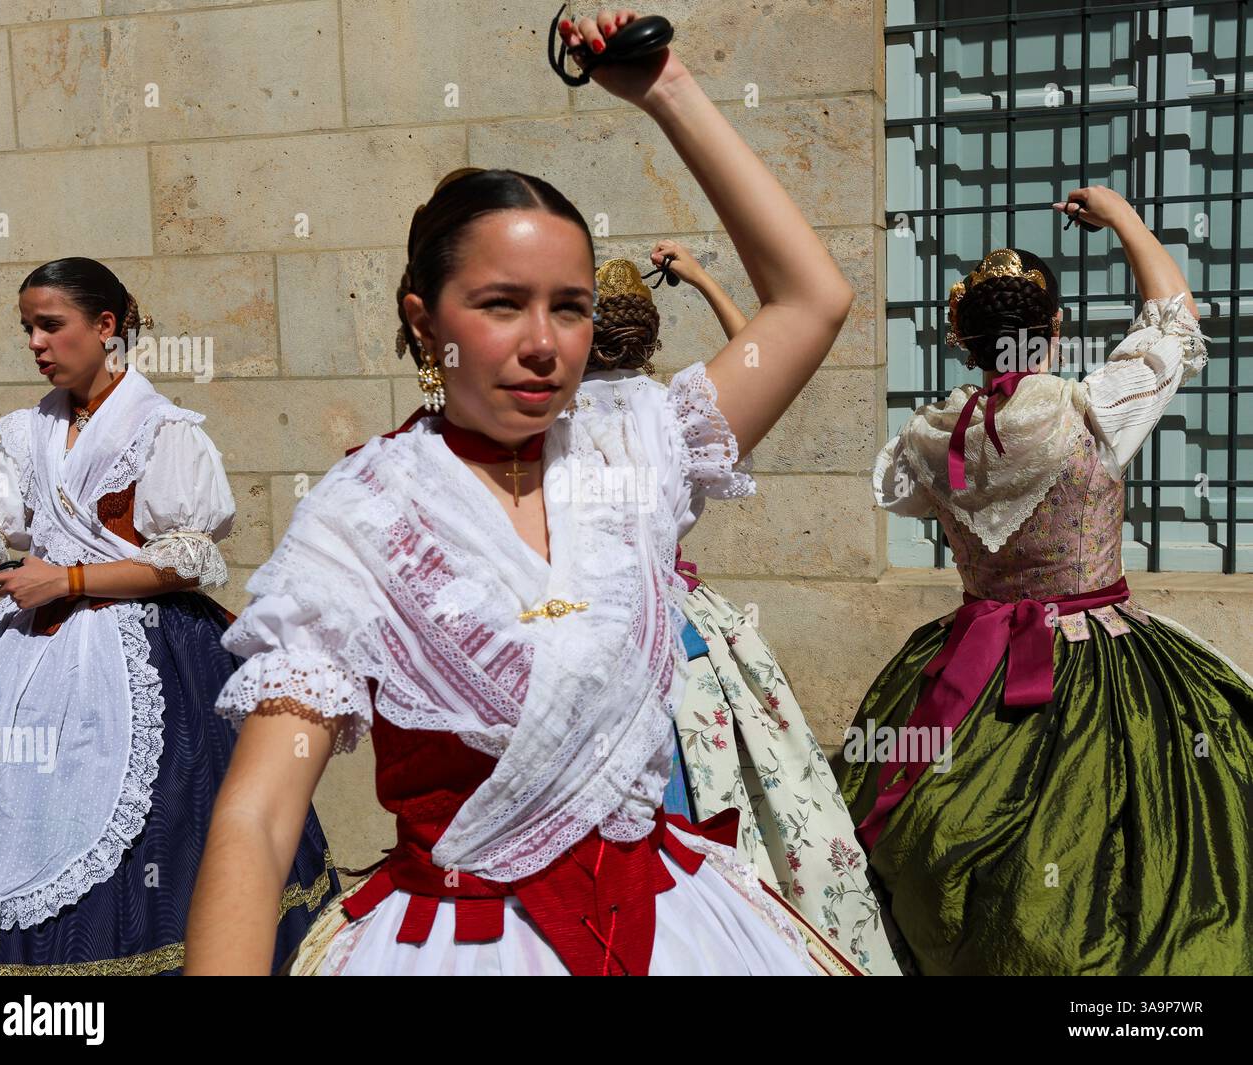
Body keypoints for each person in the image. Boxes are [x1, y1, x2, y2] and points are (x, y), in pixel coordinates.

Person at [184, 7, 862, 976]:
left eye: (571, 307)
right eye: (501, 304)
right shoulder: (360, 513)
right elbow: (256, 815)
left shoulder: (635, 439)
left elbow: (810, 301)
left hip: (673, 922)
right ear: (426, 323)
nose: (544, 343)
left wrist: (665, 90)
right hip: (463, 943)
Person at [835, 186, 1253, 975]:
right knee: (1138, 845)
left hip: (968, 662)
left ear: (962, 336)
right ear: (1054, 328)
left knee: (938, 834)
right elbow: (1175, 320)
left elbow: (898, 492)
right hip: (1103, 653)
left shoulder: (927, 437)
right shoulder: (1093, 410)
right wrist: (1125, 218)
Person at [0, 258, 338, 975]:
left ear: (105, 328)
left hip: (137, 651)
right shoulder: (26, 431)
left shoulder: (162, 429)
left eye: (50, 325)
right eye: (27, 328)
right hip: (25, 661)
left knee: (152, 830)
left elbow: (186, 559)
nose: (35, 342)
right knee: (1, 812)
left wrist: (67, 577)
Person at [585, 248, 899, 975]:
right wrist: (703, 280)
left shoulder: (540, 421)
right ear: (650, 339)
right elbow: (765, 348)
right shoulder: (678, 415)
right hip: (684, 634)